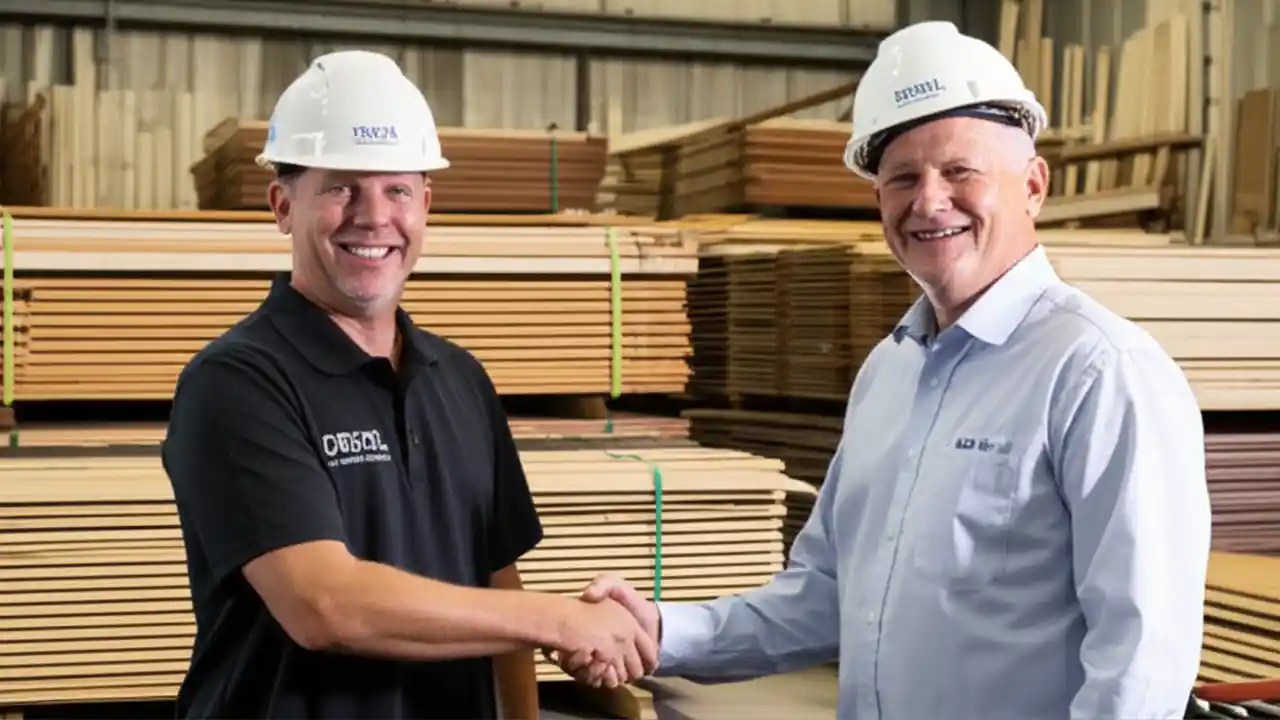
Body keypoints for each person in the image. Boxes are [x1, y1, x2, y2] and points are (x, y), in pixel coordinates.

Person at [557, 20, 1212, 720]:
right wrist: (660, 632)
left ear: (1032, 185)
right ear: (879, 203)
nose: (928, 201)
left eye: (960, 171)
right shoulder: (889, 373)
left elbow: (1141, 661)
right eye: (903, 178)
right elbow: (830, 597)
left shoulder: (1100, 373)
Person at [161, 50, 656, 719]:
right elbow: (323, 605)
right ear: (282, 205)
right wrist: (562, 621)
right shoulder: (235, 384)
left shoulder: (460, 379)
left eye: (396, 190)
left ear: (425, 205)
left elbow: (499, 585)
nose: (373, 217)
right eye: (341, 187)